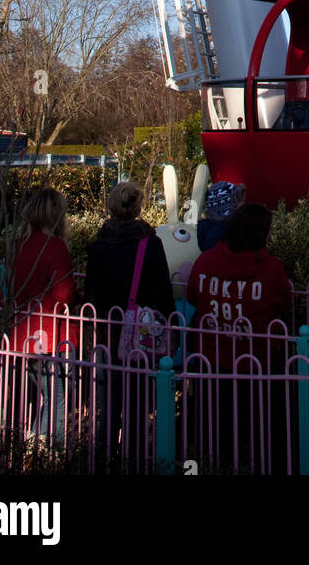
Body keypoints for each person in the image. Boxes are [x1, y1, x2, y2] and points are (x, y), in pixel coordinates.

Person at [187, 203, 292, 472]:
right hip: (258, 363)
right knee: (258, 433)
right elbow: (283, 303)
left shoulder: (206, 261)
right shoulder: (271, 269)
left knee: (214, 433)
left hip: (211, 362)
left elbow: (193, 296)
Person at [84, 181, 175, 467]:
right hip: (141, 333)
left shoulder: (97, 246)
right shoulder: (150, 244)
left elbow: (90, 294)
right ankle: (134, 457)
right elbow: (163, 292)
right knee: (138, 399)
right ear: (137, 208)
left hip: (108, 329)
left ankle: (105, 454)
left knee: (110, 398)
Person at [13, 187, 75, 445]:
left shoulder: (20, 245)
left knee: (48, 395)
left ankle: (36, 444)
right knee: (58, 396)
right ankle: (46, 449)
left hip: (23, 332)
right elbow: (64, 293)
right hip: (49, 333)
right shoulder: (55, 247)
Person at [197, 181, 246, 253]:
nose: (243, 204)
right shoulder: (220, 234)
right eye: (239, 201)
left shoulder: (210, 229)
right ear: (227, 209)